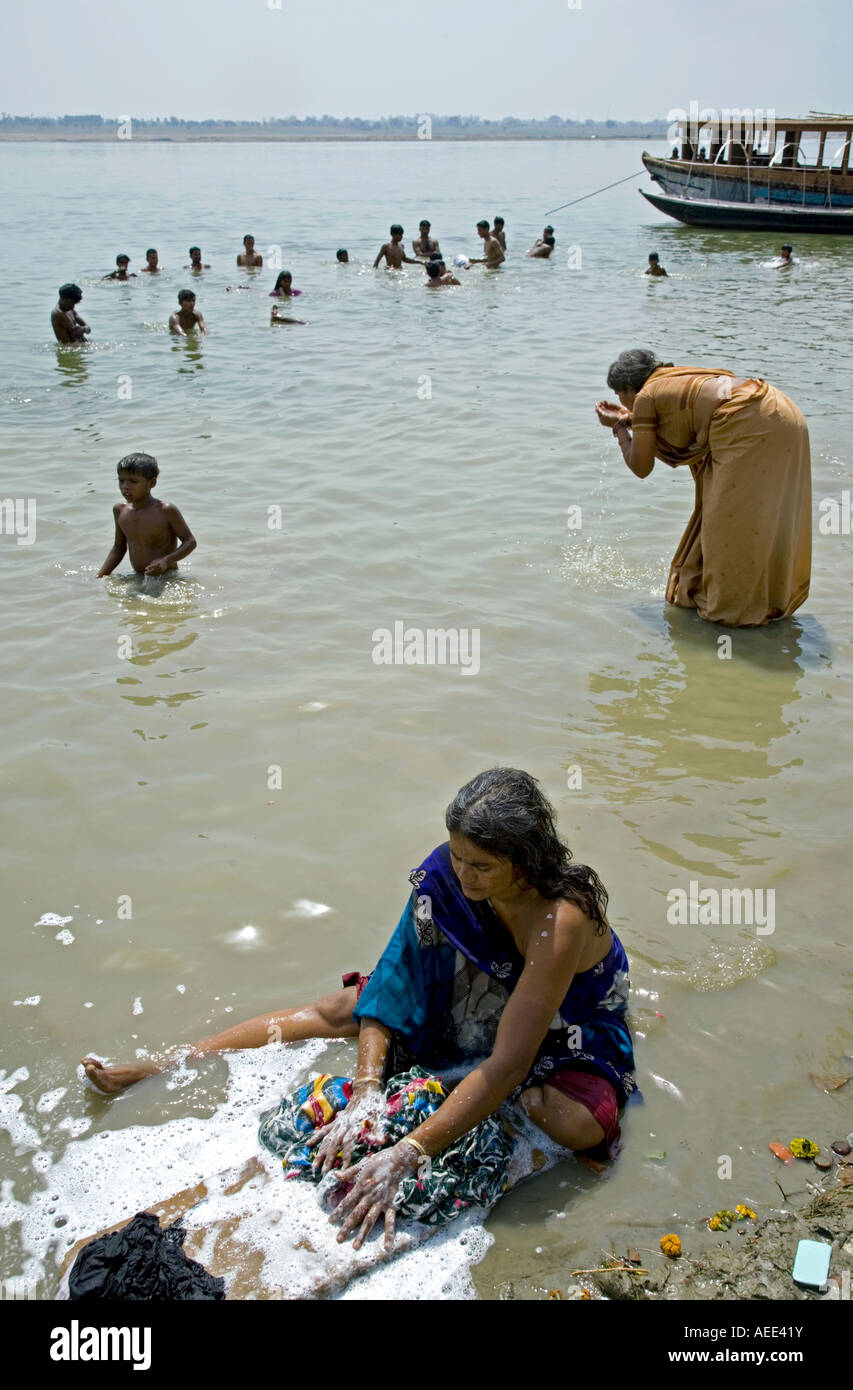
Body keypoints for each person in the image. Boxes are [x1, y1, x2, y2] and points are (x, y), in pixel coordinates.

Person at [82, 767, 635, 1250]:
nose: (463, 877)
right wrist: (367, 1088)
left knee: (570, 1121)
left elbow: (511, 1062)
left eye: (482, 867)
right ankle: (166, 1062)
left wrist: (409, 1152)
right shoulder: (443, 877)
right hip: (484, 988)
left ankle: (484, 1113)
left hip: (567, 1022)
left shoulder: (558, 920)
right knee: (346, 1007)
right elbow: (395, 978)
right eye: (459, 858)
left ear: (526, 860)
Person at [594, 348, 811, 626]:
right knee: (763, 517)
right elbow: (693, 412)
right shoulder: (672, 379)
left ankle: (732, 613)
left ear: (628, 388)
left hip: (751, 425)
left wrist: (619, 428)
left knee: (726, 525)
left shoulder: (647, 395)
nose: (622, 402)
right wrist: (629, 418)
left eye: (620, 395)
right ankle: (762, 601)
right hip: (783, 412)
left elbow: (641, 467)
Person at [97, 453, 196, 578]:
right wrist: (101, 576)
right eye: (121, 480)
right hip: (137, 576)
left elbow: (190, 542)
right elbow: (119, 548)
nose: (125, 487)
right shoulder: (119, 510)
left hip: (166, 577)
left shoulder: (165, 511)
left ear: (152, 483)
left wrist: (166, 561)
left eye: (133, 481)